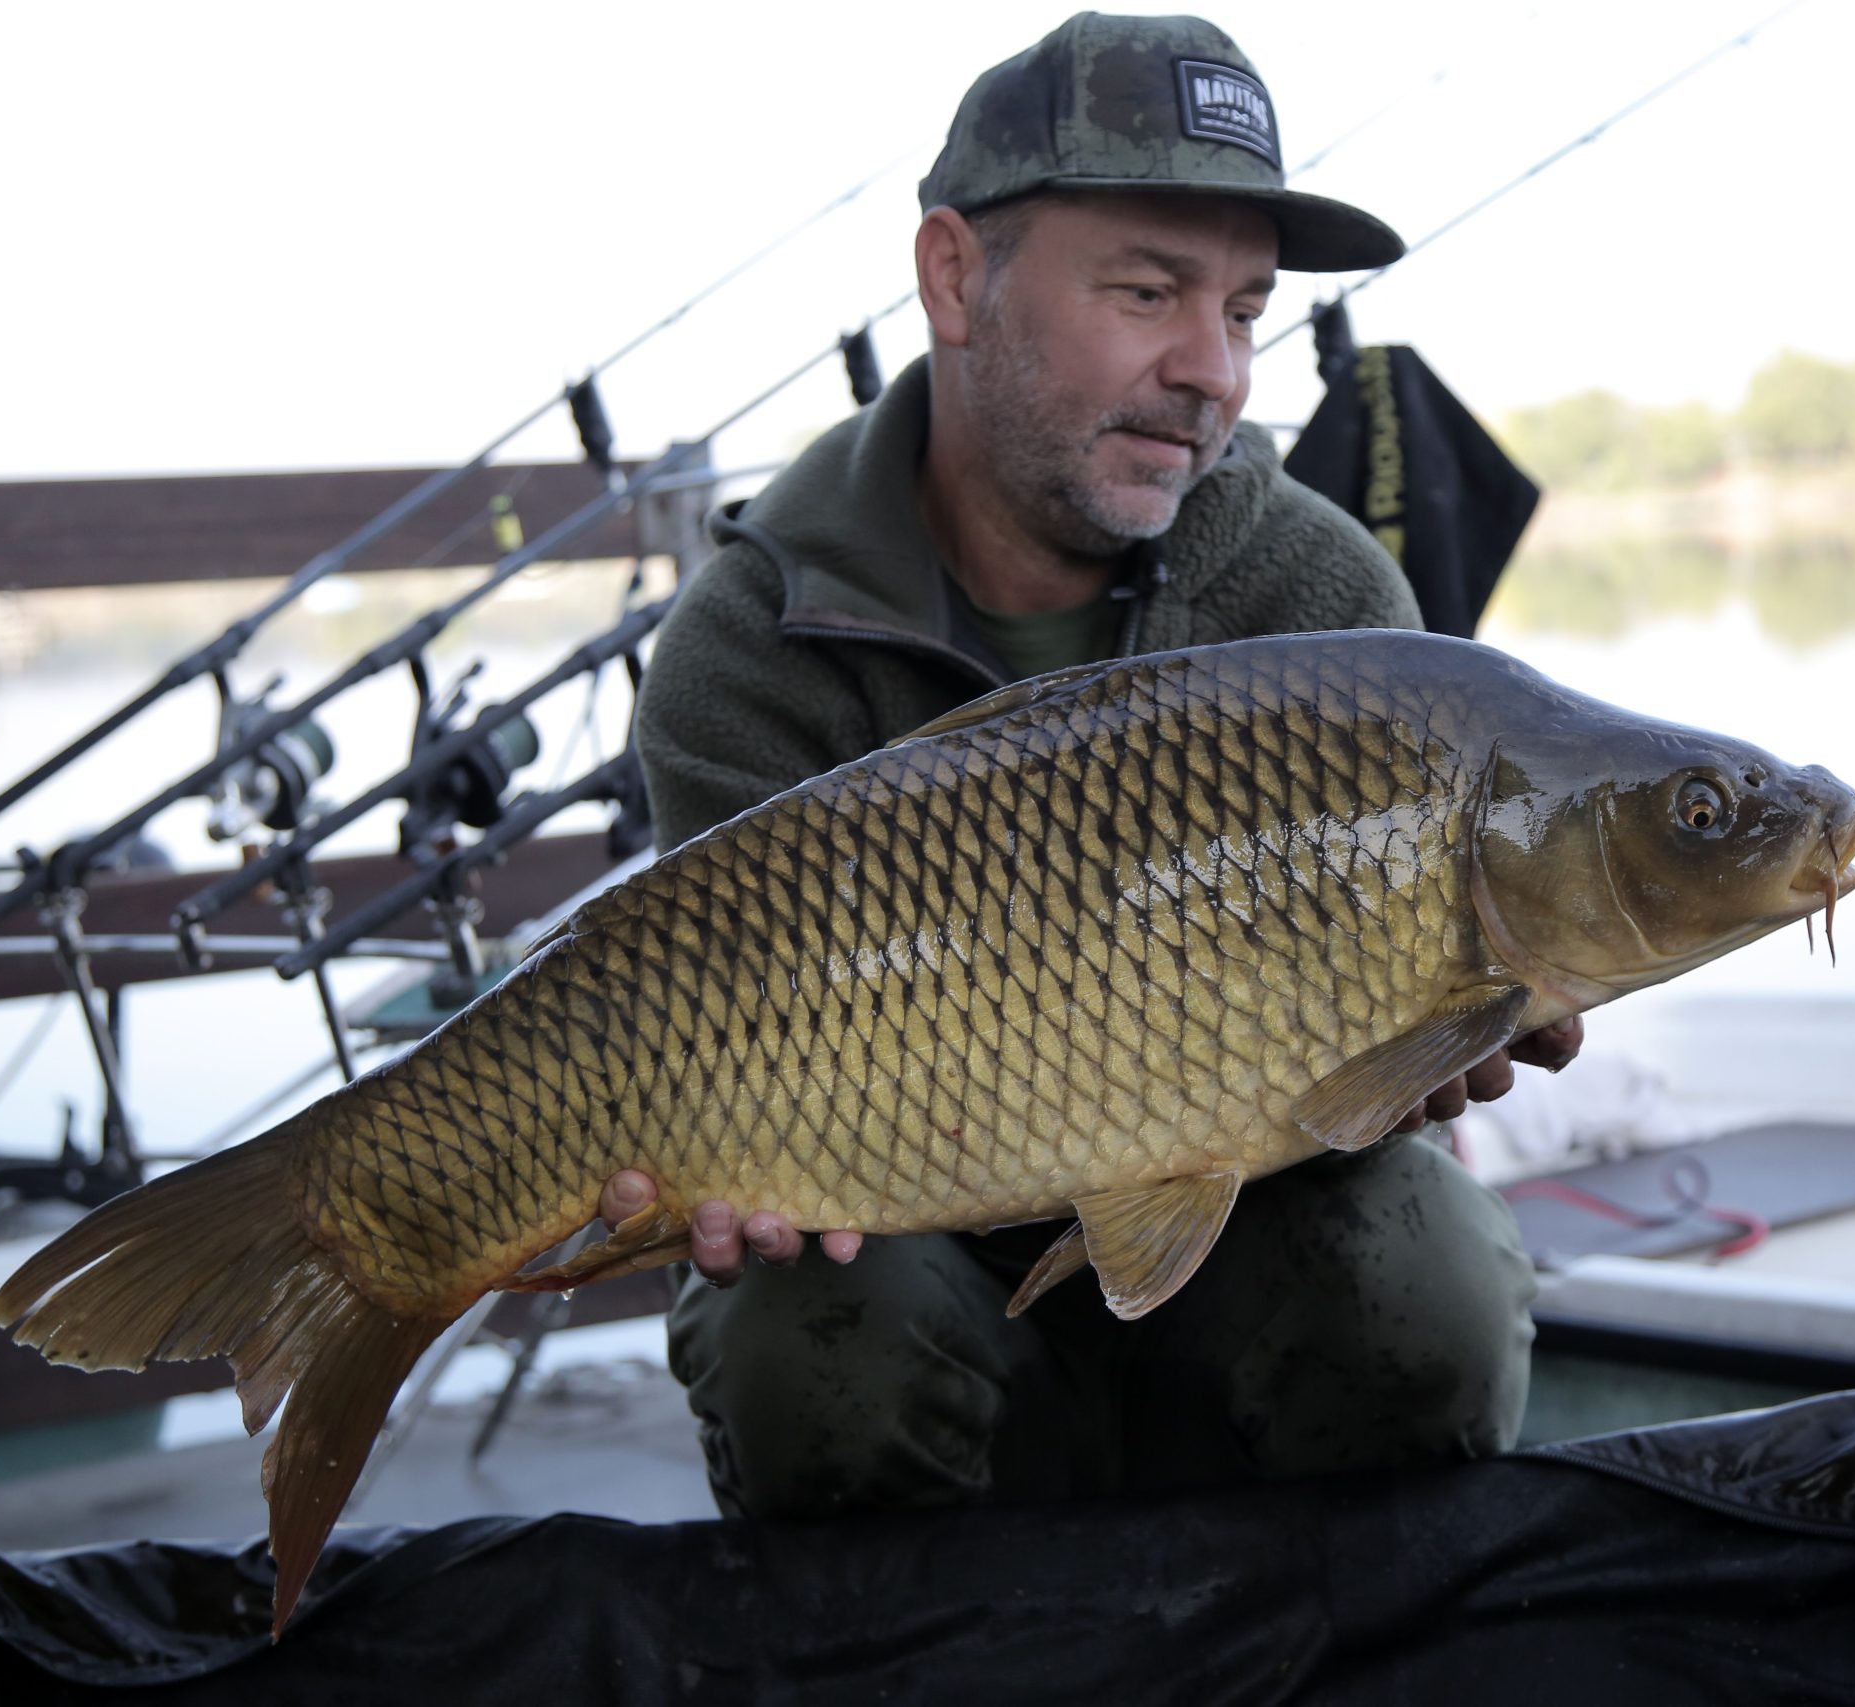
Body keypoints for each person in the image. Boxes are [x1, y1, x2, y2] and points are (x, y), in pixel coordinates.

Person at [608, 11, 1580, 1519]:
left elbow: (1368, 1089)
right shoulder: (752, 641)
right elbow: (712, 1055)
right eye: (1147, 293)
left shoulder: (1322, 601)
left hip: (1243, 1217)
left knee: (1429, 1276)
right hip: (896, 1229)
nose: (1213, 374)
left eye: (1247, 313)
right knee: (799, 1333)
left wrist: (1433, 1044)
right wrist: (698, 1181)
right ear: (955, 278)